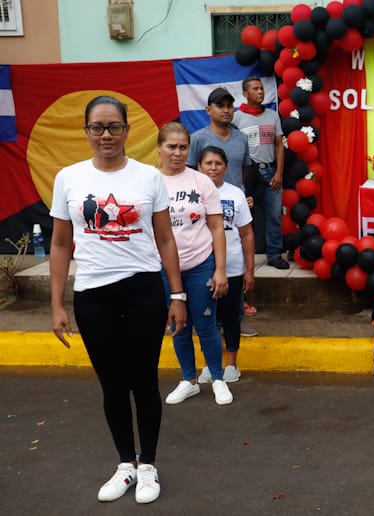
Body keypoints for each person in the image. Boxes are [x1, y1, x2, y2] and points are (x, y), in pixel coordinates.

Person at [50, 95, 186, 504]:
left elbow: (165, 238)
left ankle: (148, 466)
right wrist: (56, 304)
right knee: (112, 385)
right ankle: (125, 464)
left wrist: (176, 294)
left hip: (143, 289)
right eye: (97, 127)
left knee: (143, 381)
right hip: (93, 295)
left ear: (128, 131)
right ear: (86, 131)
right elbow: (59, 244)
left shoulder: (149, 178)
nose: (105, 135)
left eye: (113, 127)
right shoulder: (69, 178)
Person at [157, 122, 233, 406]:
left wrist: (220, 269)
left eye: (183, 148)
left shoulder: (201, 182)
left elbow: (216, 228)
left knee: (206, 324)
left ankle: (217, 378)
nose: (177, 153)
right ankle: (188, 379)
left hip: (201, 263)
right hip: (164, 269)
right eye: (171, 147)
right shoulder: (151, 182)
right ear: (159, 148)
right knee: (178, 325)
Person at [196, 146, 255, 385]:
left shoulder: (235, 194)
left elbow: (247, 234)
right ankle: (211, 363)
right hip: (200, 268)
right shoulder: (192, 193)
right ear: (199, 167)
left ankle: (231, 363)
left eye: (218, 163)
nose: (213, 168)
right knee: (205, 319)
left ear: (226, 167)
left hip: (231, 268)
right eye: (208, 163)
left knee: (230, 317)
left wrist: (249, 270)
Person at [233, 76, 289, 269]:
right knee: (243, 215)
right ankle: (241, 257)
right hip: (248, 173)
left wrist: (279, 173)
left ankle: (274, 254)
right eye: (255, 89)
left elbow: (279, 145)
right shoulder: (237, 118)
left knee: (274, 214)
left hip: (269, 170)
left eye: (261, 89)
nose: (260, 92)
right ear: (245, 94)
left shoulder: (272, 115)